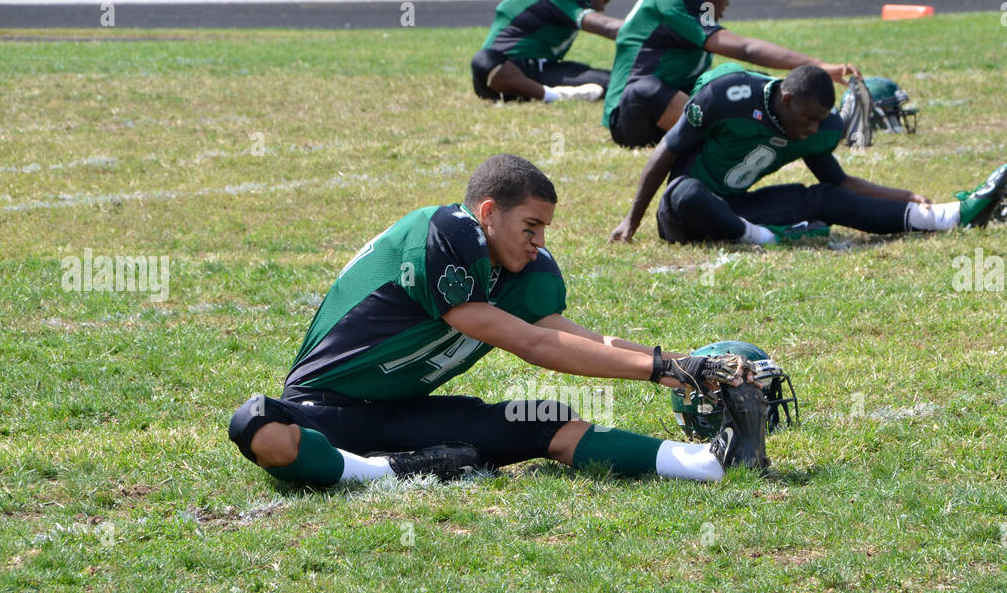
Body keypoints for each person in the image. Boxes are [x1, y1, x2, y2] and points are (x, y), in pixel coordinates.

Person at [228, 155, 767, 487]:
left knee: (546, 420)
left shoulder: (523, 268)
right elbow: (531, 344)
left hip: (404, 414)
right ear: (488, 214)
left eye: (544, 230)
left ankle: (705, 463)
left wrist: (679, 363)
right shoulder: (442, 233)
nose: (539, 244)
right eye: (531, 226)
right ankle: (387, 475)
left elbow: (578, 338)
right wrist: (653, 371)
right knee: (256, 427)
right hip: (329, 410)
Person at [610, 63, 1007, 246]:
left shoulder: (817, 128)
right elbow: (666, 152)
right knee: (688, 192)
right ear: (786, 100)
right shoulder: (728, 95)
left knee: (822, 199)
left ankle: (947, 217)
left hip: (740, 207)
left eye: (821, 120)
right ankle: (764, 239)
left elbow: (838, 184)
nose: (813, 129)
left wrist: (904, 195)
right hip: (685, 215)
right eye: (809, 118)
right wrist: (632, 219)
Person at [601, 0, 859, 148]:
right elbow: (744, 48)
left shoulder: (696, 6)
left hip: (673, 106)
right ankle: (738, 130)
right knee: (645, 90)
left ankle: (832, 123)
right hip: (631, 116)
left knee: (752, 84)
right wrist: (816, 64)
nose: (726, 4)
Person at [472, 0, 624, 103]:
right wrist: (640, 33)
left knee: (614, 81)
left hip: (542, 69)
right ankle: (555, 96)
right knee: (483, 60)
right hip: (507, 67)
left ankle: (544, 93)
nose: (601, 8)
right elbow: (605, 26)